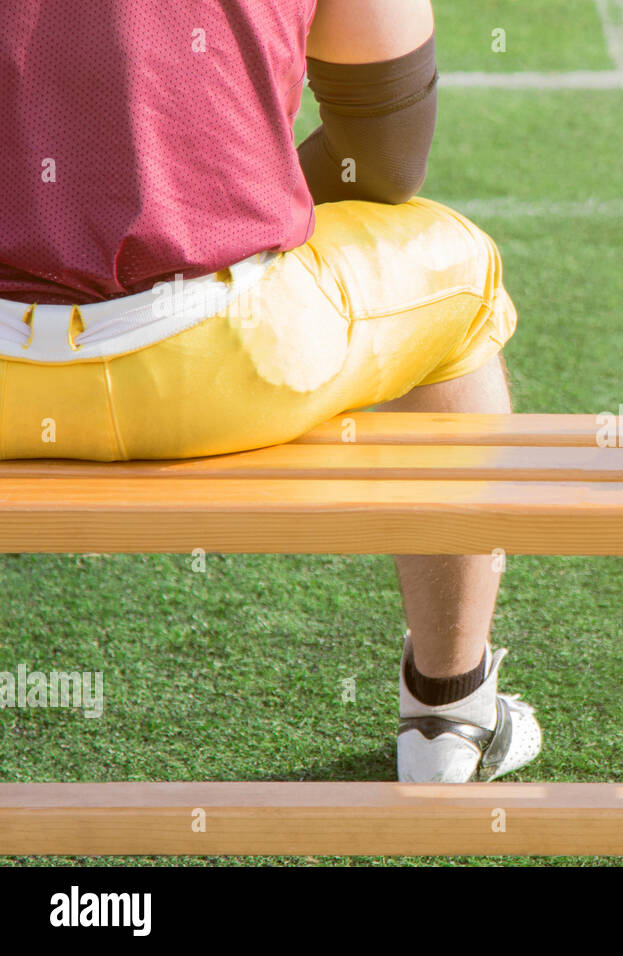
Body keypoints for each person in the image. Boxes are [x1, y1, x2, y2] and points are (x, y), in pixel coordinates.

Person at [0, 0, 541, 783]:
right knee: (459, 272)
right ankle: (449, 716)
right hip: (220, 360)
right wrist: (221, 202)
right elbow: (385, 160)